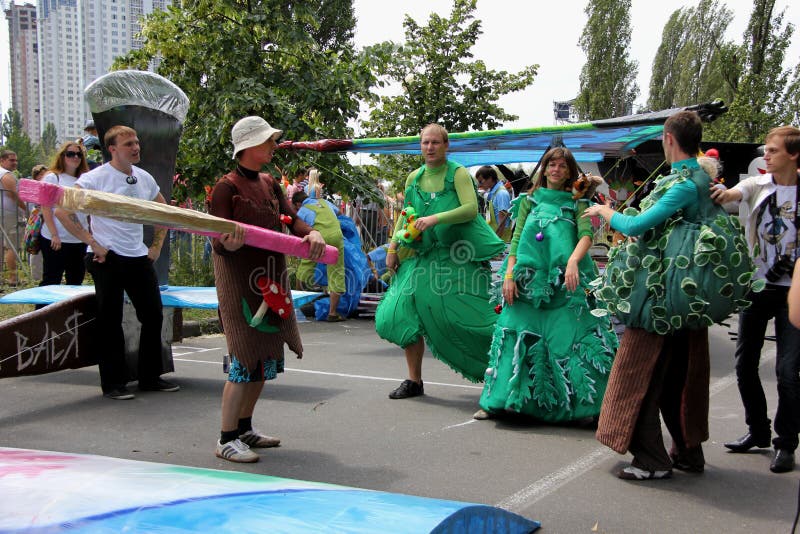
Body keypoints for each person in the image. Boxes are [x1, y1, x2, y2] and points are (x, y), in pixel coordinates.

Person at [584, 111, 739, 480]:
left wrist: (606, 211)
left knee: (639, 375)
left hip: (661, 297)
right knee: (679, 377)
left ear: (669, 138)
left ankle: (651, 461)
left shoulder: (684, 183)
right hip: (687, 299)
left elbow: (636, 224)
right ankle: (687, 453)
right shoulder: (700, 179)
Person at [209, 116, 326, 463]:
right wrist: (228, 244)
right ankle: (225, 438)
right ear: (249, 146)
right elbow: (218, 240)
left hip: (272, 278)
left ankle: (244, 428)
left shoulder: (269, 182)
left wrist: (311, 233)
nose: (274, 146)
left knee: (266, 357)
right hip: (239, 281)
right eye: (268, 141)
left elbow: (291, 217)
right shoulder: (225, 187)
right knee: (244, 358)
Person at [474, 148, 617, 422]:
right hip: (525, 283)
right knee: (513, 334)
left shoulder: (578, 203)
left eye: (563, 166)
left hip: (567, 284)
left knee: (573, 337)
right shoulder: (529, 200)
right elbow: (515, 240)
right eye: (551, 164)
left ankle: (587, 410)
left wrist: (574, 262)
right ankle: (499, 402)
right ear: (544, 169)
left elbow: (586, 236)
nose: (556, 169)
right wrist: (508, 275)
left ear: (570, 172)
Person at [376, 123, 505, 399]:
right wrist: (393, 246)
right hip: (421, 257)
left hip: (456, 257)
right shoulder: (414, 178)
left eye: (436, 142)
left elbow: (471, 209)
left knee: (467, 321)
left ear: (446, 145)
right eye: (425, 143)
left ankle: (504, 371)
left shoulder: (458, 174)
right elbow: (406, 214)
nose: (430, 147)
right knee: (398, 314)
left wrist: (436, 218)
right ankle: (414, 381)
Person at [56, 125, 178, 400]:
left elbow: (165, 212)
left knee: (153, 315)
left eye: (136, 142)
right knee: (110, 320)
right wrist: (92, 241)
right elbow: (63, 210)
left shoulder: (144, 178)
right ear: (112, 149)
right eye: (128, 144)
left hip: (137, 256)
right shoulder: (96, 178)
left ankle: (149, 377)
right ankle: (113, 383)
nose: (135, 148)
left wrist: (156, 246)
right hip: (106, 257)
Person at [710, 125, 800, 474]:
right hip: (757, 286)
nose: (766, 154)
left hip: (794, 292)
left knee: (788, 371)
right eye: (766, 149)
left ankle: (786, 443)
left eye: (774, 150)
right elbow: (731, 193)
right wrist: (716, 190)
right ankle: (758, 431)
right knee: (745, 363)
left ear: (793, 154)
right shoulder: (757, 185)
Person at [39, 143, 90, 288]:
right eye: (70, 154)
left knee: (76, 280)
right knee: (51, 279)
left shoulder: (85, 179)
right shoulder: (52, 177)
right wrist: (54, 234)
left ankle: (72, 311)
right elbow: (46, 208)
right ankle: (46, 311)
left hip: (79, 239)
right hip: (55, 238)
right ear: (62, 156)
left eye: (79, 154)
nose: (75, 157)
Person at [292, 189, 346, 321]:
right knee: (336, 271)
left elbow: (298, 229)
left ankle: (298, 306)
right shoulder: (324, 202)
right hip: (336, 235)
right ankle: (332, 313)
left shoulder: (303, 210)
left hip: (318, 237)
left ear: (298, 204)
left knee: (306, 266)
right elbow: (339, 213)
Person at [1, 150, 26, 286]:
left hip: (4, 213)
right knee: (13, 245)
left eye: (16, 160)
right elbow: (14, 195)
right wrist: (26, 209)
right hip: (9, 214)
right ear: (2, 160)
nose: (15, 163)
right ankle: (13, 278)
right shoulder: (6, 175)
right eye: (11, 160)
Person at [476, 166, 512, 242]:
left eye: (481, 181)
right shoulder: (492, 194)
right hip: (493, 236)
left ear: (490, 178)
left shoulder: (501, 194)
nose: (479, 185)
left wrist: (496, 243)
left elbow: (502, 223)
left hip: (501, 240)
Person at [27, 164, 49, 282]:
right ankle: (36, 277)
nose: (44, 177)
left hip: (48, 223)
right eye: (41, 174)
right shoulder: (33, 189)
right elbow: (33, 208)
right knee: (35, 248)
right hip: (37, 223)